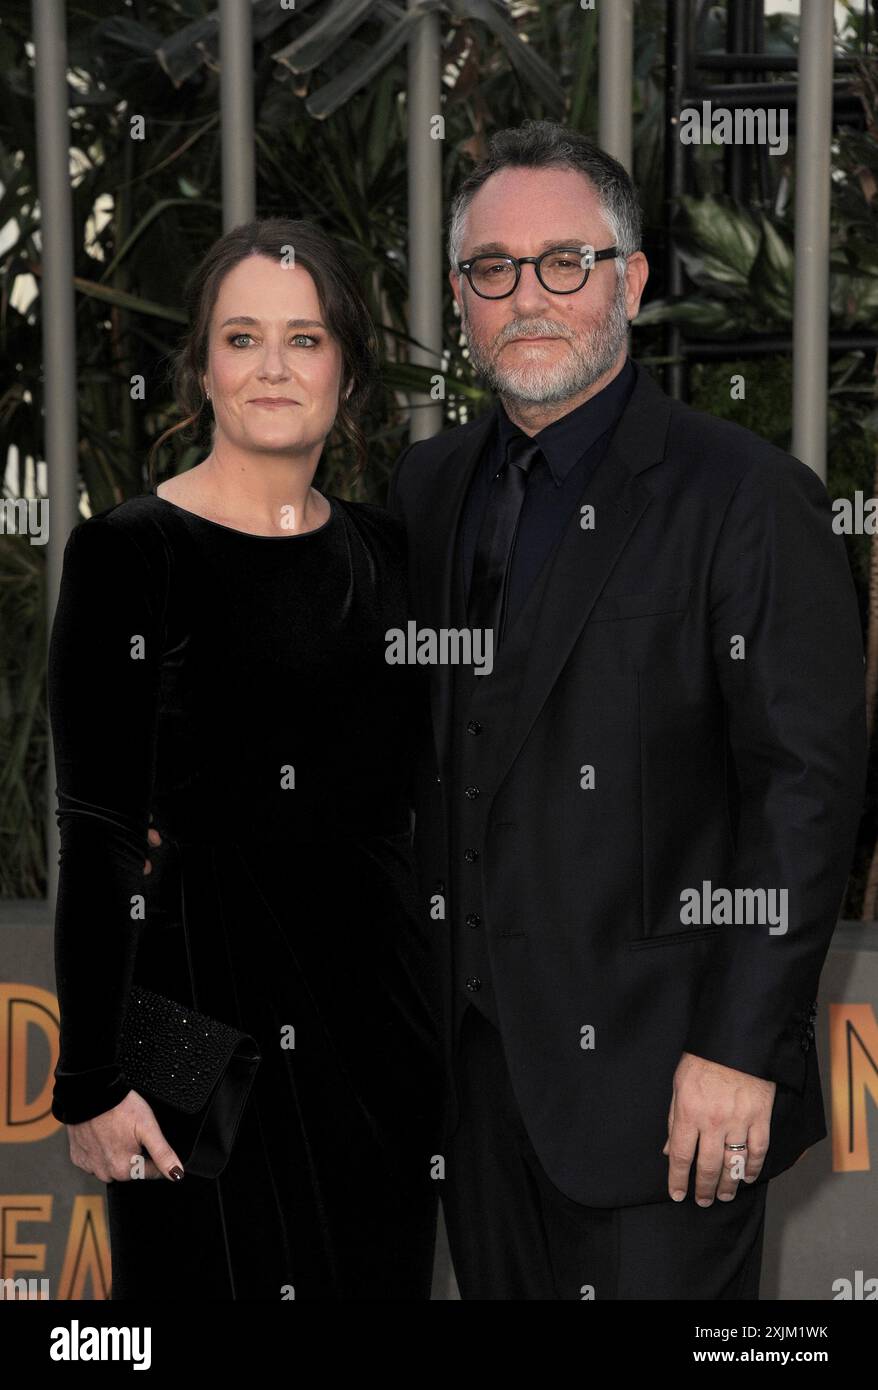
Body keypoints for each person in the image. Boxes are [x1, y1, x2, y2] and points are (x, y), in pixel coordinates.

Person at [386, 120, 867, 1299]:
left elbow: (803, 795)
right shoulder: (428, 488)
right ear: (460, 295)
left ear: (630, 281)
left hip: (670, 1090)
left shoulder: (745, 498)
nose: (528, 296)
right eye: (492, 270)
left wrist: (738, 1050)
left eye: (565, 262)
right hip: (474, 1088)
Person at [48, 217, 443, 1301]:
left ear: (347, 372)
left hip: (378, 1040)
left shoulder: (391, 556)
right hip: (189, 1034)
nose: (274, 366)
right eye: (242, 337)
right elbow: (97, 827)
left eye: (305, 339)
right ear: (202, 369)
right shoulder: (133, 552)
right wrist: (87, 1080)